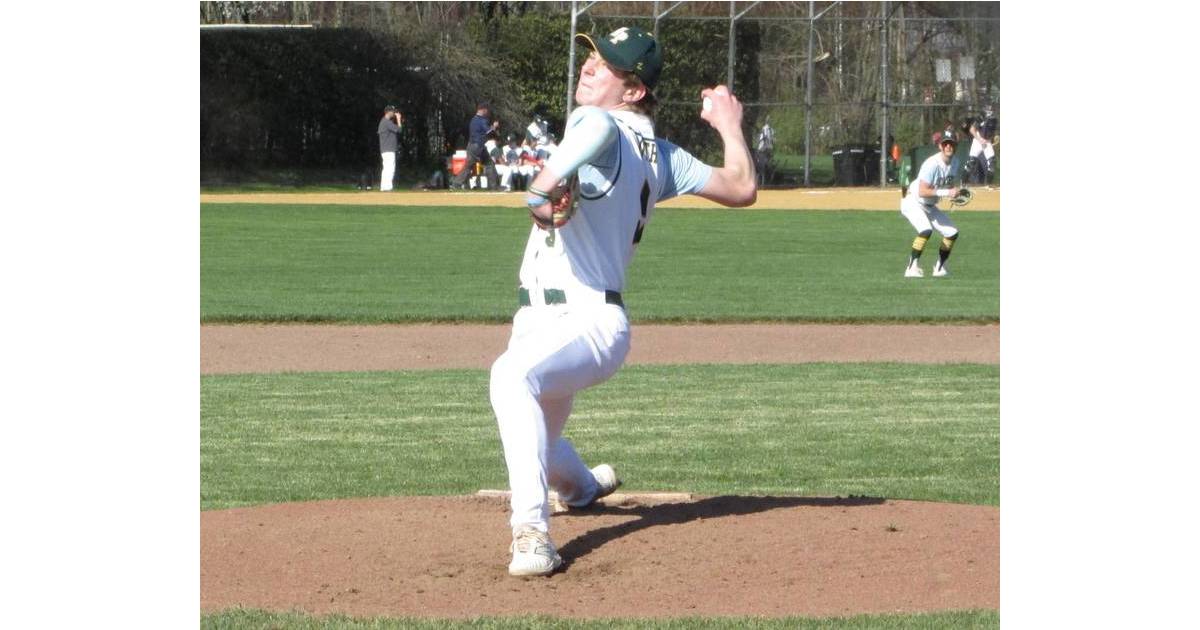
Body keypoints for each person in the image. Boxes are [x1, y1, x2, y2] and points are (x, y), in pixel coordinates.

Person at [490, 25, 756, 577]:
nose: (589, 67)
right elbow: (740, 187)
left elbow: (558, 172)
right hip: (561, 319)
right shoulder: (661, 153)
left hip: (582, 316)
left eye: (606, 65)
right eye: (590, 56)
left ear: (633, 90)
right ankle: (584, 487)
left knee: (511, 379)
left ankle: (533, 533)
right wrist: (729, 127)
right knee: (539, 431)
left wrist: (543, 188)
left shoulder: (598, 121)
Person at [901, 129, 961, 278]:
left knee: (952, 232)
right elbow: (922, 191)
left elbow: (947, 185)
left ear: (956, 146)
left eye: (951, 144)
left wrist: (955, 193)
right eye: (946, 144)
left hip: (929, 205)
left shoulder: (956, 162)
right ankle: (911, 268)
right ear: (940, 146)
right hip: (913, 201)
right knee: (925, 230)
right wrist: (947, 193)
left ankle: (940, 267)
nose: (948, 147)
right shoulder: (932, 164)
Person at [451, 102, 500, 190]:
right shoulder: (482, 120)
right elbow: (488, 131)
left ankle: (456, 184)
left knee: (469, 166)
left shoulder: (473, 120)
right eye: (487, 111)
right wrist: (494, 127)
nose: (488, 113)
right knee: (488, 164)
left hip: (471, 145)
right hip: (479, 146)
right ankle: (494, 186)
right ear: (484, 110)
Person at [377, 105, 403, 191]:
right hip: (388, 149)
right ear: (389, 112)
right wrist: (399, 119)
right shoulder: (387, 122)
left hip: (385, 149)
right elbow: (399, 130)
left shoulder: (384, 121)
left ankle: (384, 187)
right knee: (390, 168)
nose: (394, 113)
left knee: (386, 168)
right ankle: (388, 187)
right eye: (393, 111)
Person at [754, 118, 774, 186]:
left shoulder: (771, 130)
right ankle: (759, 183)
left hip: (767, 149)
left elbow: (772, 140)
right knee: (761, 167)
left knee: (765, 166)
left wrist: (771, 143)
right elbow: (760, 139)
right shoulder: (764, 129)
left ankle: (763, 183)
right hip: (762, 150)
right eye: (768, 121)